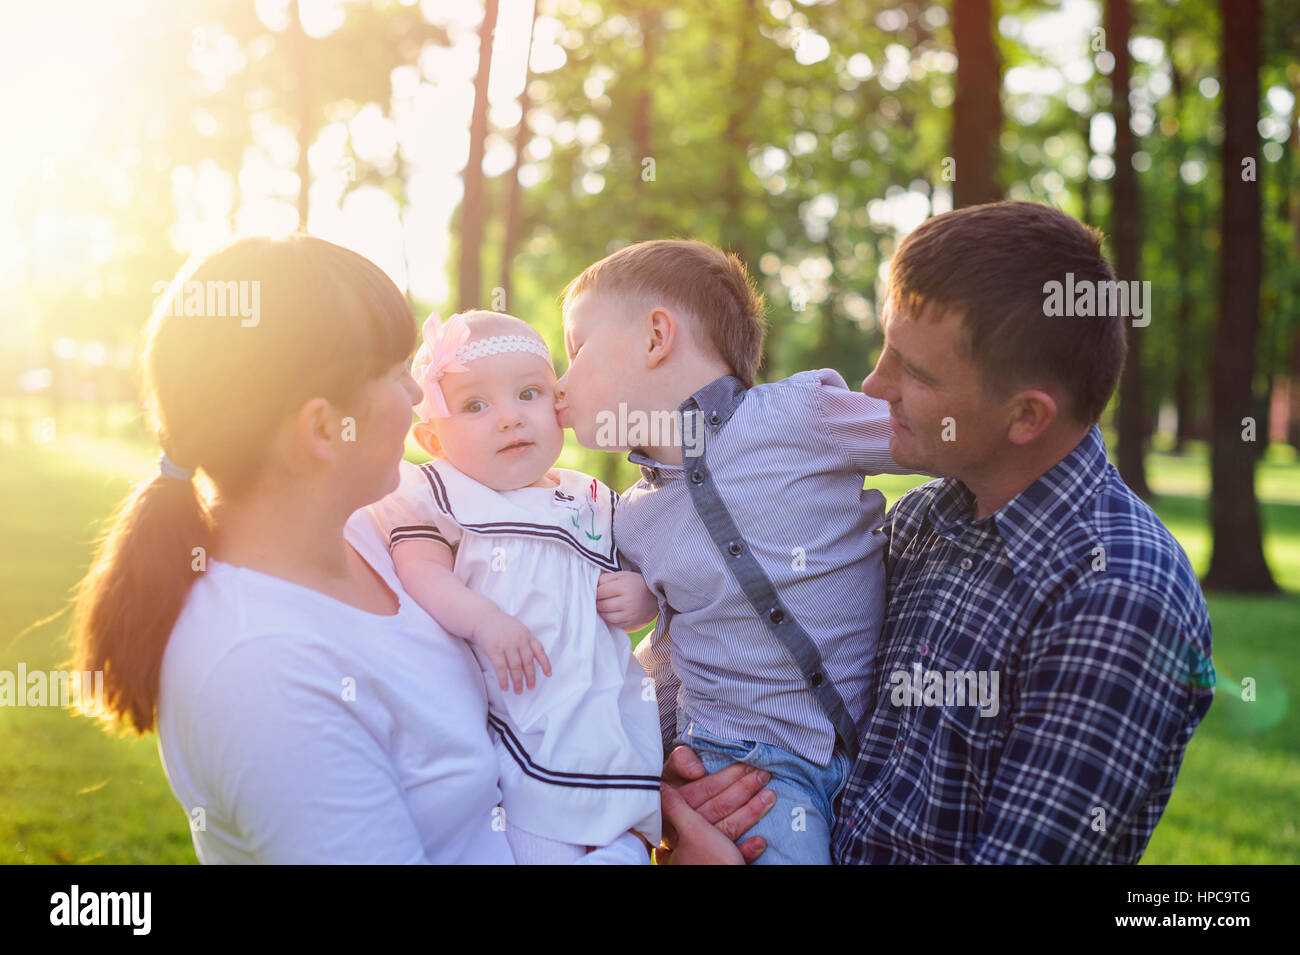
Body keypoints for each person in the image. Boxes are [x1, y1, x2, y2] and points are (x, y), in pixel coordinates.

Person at [68, 234, 772, 864]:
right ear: (323, 429)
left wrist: (625, 781)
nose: (418, 393)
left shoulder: (370, 534)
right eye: (400, 373)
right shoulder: (261, 669)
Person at [673, 202, 1217, 864]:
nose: (875, 385)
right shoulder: (918, 524)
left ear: (1026, 416)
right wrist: (713, 785)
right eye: (886, 347)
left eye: (916, 372)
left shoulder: (1118, 598)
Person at [553, 239, 916, 864]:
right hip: (740, 762)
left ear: (655, 336)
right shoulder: (629, 521)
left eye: (576, 349)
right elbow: (667, 653)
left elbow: (941, 432)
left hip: (865, 753)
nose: (559, 385)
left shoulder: (803, 416)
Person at [368, 308, 662, 864]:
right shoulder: (445, 493)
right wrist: (484, 619)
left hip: (600, 725)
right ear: (432, 437)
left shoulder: (589, 498)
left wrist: (641, 592)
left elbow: (627, 573)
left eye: (529, 393)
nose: (510, 418)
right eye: (476, 406)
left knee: (621, 842)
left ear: (558, 403)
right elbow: (419, 569)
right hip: (518, 726)